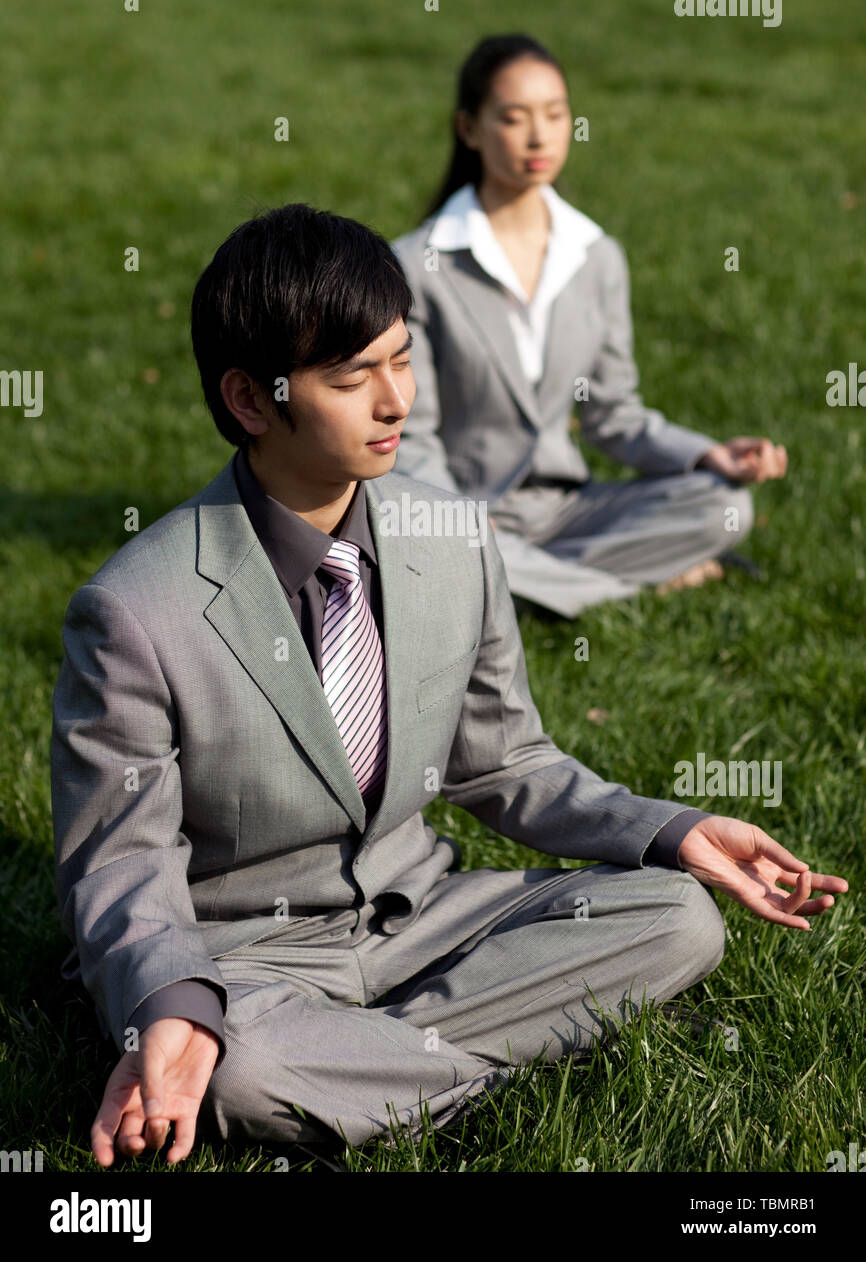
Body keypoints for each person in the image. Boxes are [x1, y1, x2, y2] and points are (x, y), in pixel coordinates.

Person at [50, 203, 842, 1167]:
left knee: (676, 915)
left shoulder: (453, 536)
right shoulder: (136, 608)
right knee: (237, 1062)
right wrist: (174, 1009)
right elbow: (119, 863)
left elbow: (505, 761)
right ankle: (445, 1072)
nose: (397, 402)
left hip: (429, 917)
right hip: (251, 963)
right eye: (352, 378)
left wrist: (671, 830)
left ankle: (370, 1077)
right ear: (253, 402)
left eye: (401, 357)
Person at [391, 34, 788, 617]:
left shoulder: (596, 256)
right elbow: (413, 440)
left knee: (721, 505)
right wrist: (460, 530)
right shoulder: (417, 265)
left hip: (565, 511)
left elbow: (614, 417)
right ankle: (613, 588)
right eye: (513, 117)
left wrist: (709, 457)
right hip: (461, 514)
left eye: (555, 115)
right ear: (469, 129)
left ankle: (523, 589)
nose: (538, 136)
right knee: (411, 534)